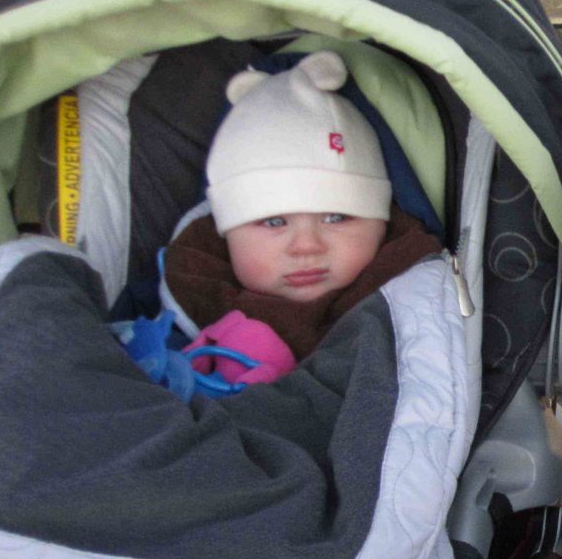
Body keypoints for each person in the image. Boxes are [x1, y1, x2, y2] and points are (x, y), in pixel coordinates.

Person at [156, 49, 441, 391]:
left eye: (336, 217)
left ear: (382, 224)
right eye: (274, 222)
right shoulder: (188, 300)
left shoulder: (410, 298)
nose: (306, 246)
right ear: (226, 236)